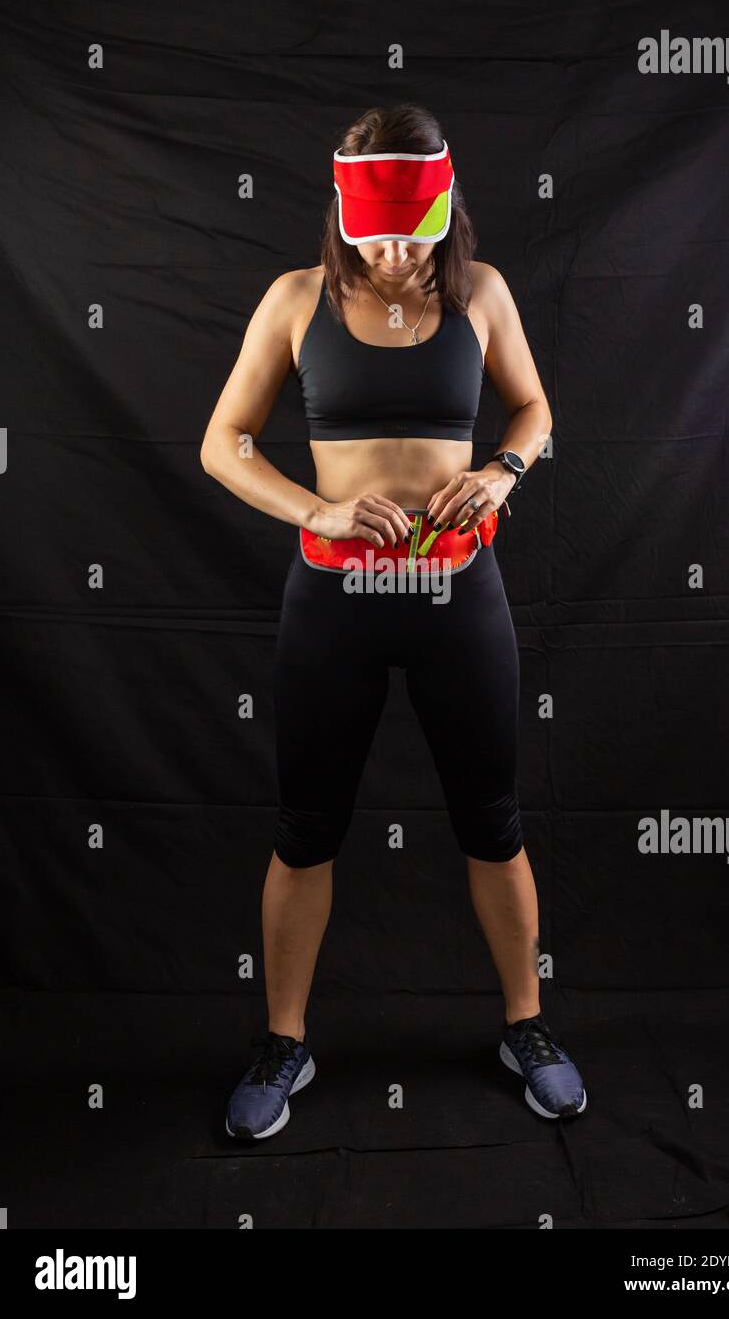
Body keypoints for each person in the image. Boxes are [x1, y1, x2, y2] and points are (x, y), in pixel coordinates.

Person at [200, 103, 587, 1140]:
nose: (389, 252)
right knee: (305, 830)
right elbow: (222, 442)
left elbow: (534, 410)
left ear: (444, 213)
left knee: (490, 823)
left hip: (459, 592)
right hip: (333, 598)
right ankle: (285, 1039)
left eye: (410, 234)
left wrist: (503, 471)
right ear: (340, 212)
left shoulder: (484, 294)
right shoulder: (294, 301)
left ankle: (526, 1025)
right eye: (370, 232)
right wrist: (317, 507)